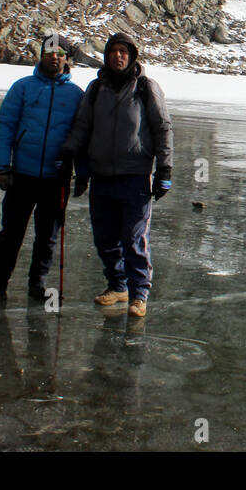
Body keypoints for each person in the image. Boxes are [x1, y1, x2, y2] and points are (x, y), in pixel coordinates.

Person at [59, 33, 172, 318]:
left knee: (133, 239)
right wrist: (72, 157)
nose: (118, 56)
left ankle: (139, 294)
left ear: (132, 56)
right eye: (113, 51)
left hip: (135, 177)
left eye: (124, 51)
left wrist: (165, 170)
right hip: (101, 177)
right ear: (107, 55)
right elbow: (83, 127)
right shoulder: (96, 88)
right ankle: (118, 286)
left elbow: (162, 129)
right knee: (105, 238)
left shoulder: (145, 88)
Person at [0, 37, 84, 307]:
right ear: (41, 55)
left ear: (67, 58)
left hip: (55, 179)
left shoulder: (77, 95)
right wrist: (2, 167)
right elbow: (5, 127)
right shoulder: (22, 88)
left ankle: (38, 285)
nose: (54, 58)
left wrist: (80, 173)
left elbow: (82, 137)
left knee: (47, 236)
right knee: (11, 233)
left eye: (60, 53)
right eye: (49, 53)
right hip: (22, 175)